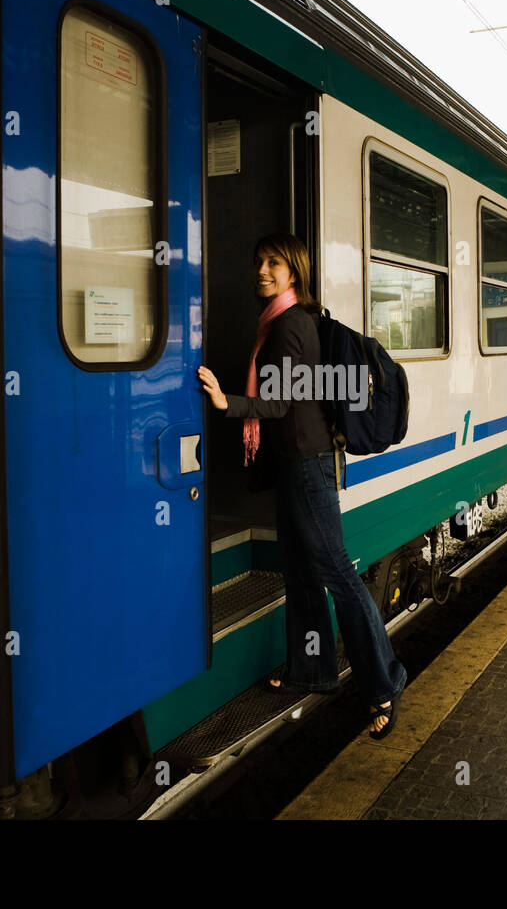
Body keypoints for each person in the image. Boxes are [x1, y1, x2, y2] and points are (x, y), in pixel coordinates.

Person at [196, 233, 408, 739]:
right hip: (298, 464)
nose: (262, 270)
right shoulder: (282, 320)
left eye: (274, 263)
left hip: (309, 468)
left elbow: (280, 402)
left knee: (336, 573)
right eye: (258, 261)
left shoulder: (289, 325)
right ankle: (310, 669)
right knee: (301, 573)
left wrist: (229, 403)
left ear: (295, 271)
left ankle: (384, 683)